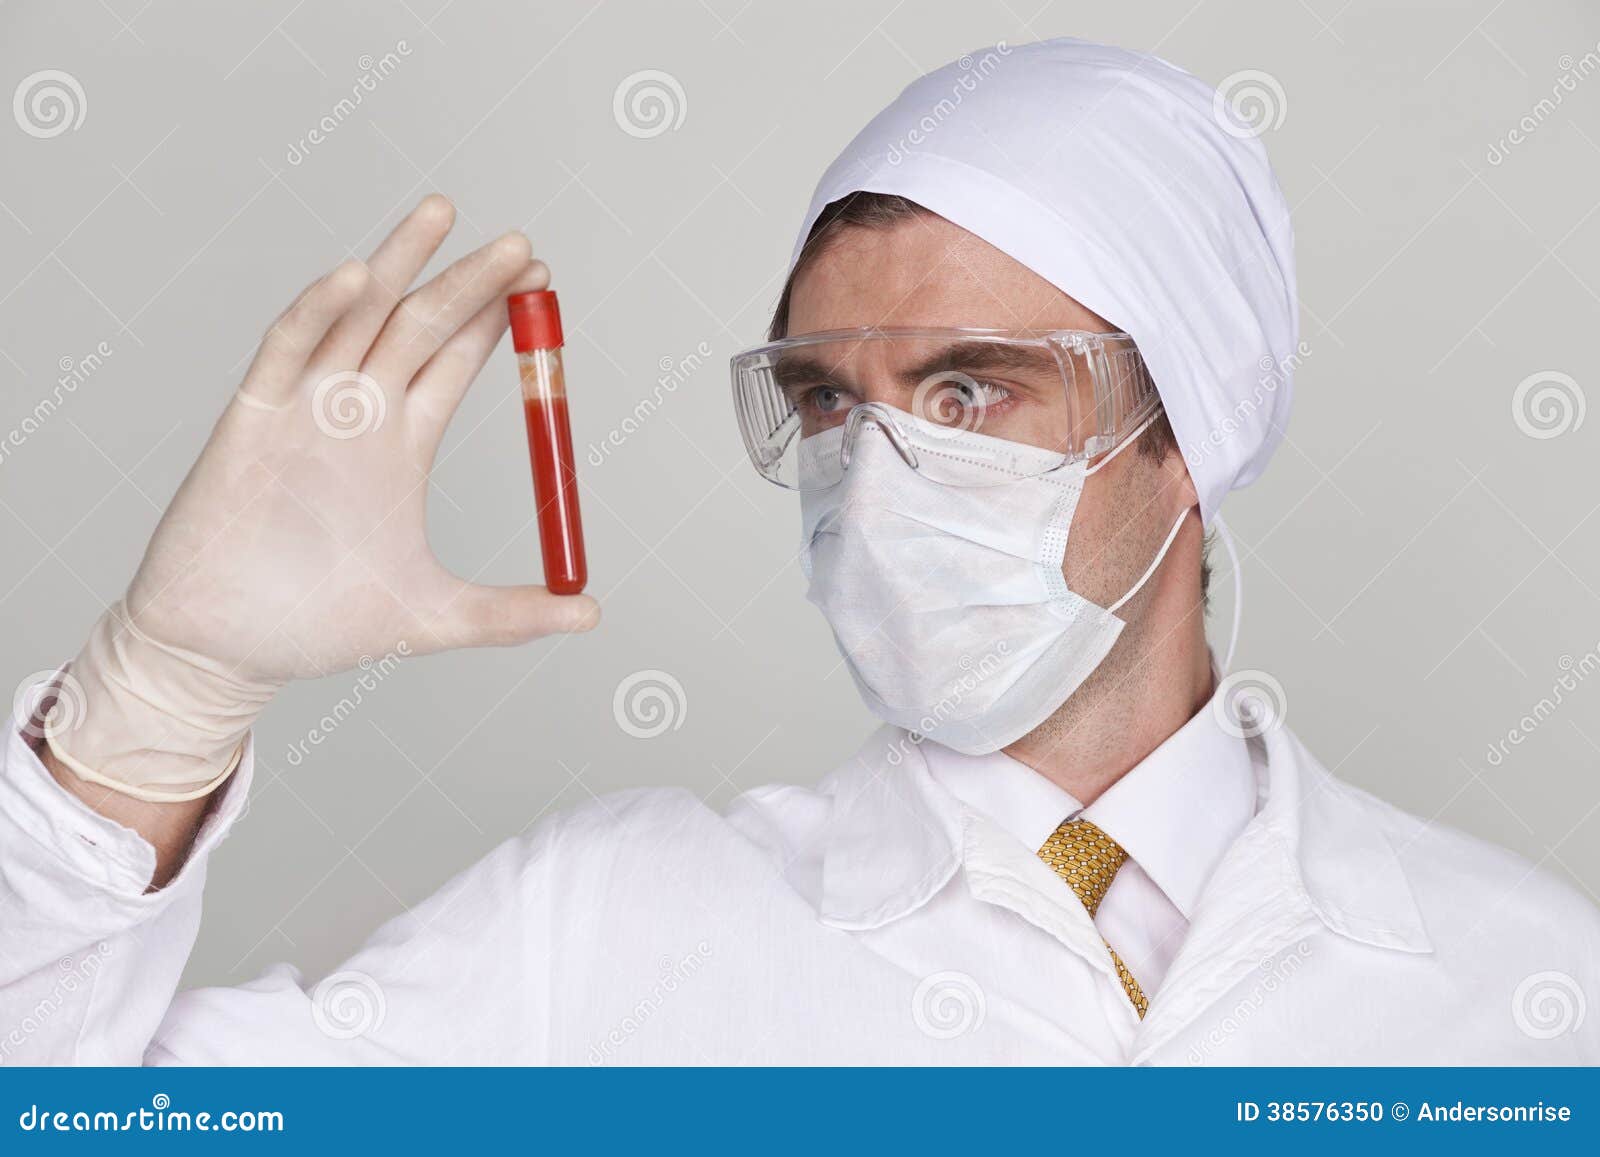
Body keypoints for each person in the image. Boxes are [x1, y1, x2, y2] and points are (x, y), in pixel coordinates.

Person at [2, 37, 1596, 1066]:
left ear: (1188, 430)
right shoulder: (606, 929)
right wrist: (157, 707)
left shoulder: (1532, 989)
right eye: (831, 401)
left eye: (970, 390)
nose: (878, 477)